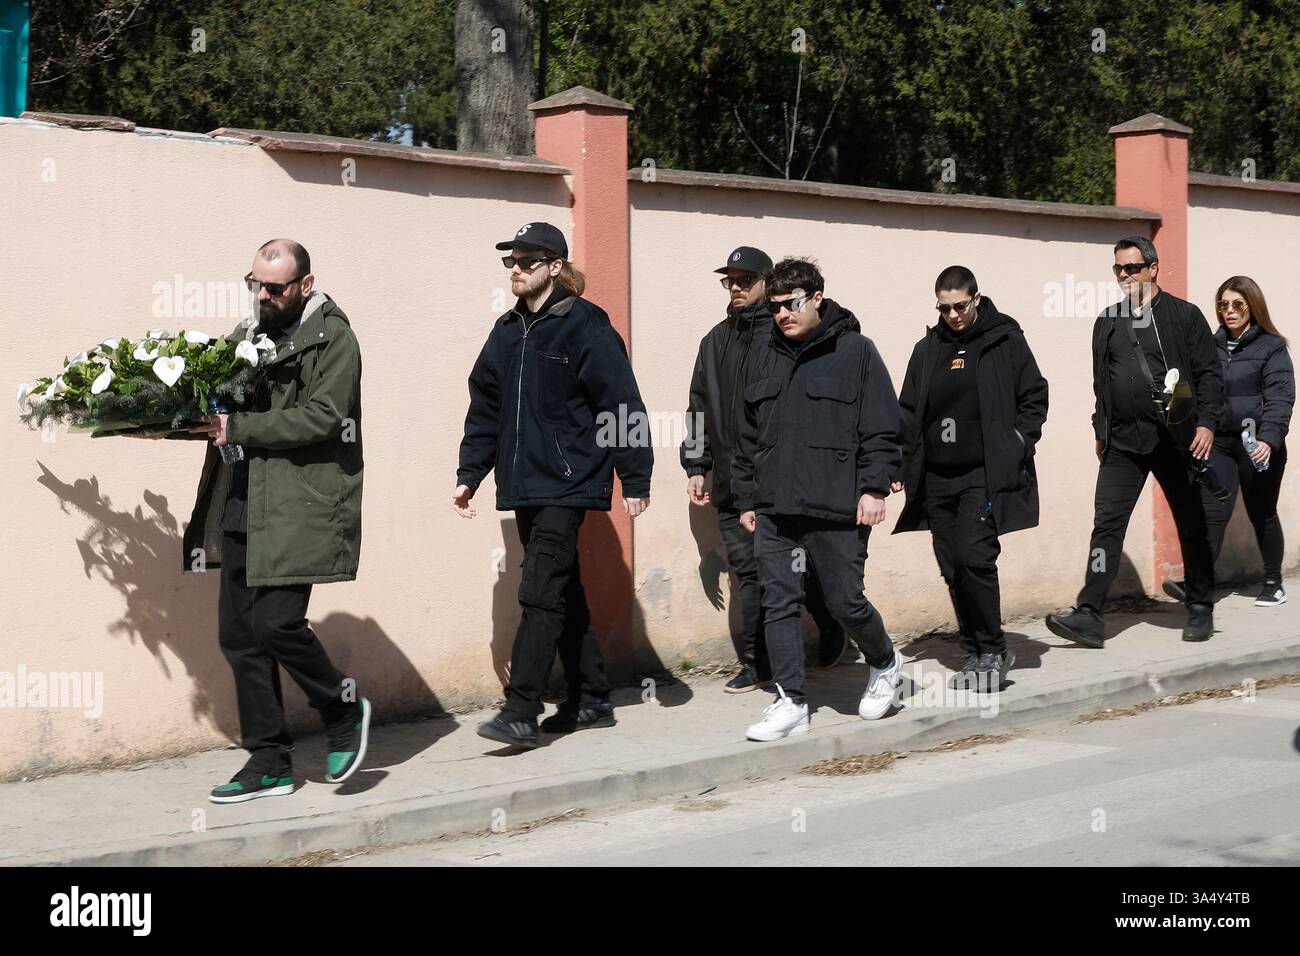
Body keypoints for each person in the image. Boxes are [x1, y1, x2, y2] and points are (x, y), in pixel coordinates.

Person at [182, 239, 370, 803]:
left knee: (275, 624)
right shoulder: (249, 334)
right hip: (242, 497)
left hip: (300, 503)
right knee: (239, 637)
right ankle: (270, 763)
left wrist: (237, 428)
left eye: (276, 288)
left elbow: (323, 416)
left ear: (305, 285)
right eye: (255, 284)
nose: (263, 296)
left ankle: (341, 709)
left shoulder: (334, 338)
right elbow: (223, 396)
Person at [455, 222, 653, 750]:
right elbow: (486, 408)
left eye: (527, 260)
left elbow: (622, 403)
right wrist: (469, 474)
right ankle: (590, 697)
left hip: (570, 480)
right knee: (561, 586)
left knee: (539, 588)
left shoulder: (586, 326)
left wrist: (635, 475)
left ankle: (521, 708)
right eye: (511, 261)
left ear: (555, 266)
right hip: (524, 481)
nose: (516, 269)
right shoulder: (505, 330)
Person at [731, 257, 904, 741]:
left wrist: (873, 487)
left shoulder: (857, 352)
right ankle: (791, 701)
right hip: (775, 507)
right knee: (779, 603)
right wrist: (747, 498)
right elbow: (747, 437)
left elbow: (882, 426)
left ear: (817, 299)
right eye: (777, 306)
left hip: (837, 505)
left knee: (844, 602)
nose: (783, 314)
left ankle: (886, 662)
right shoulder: (763, 354)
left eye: (792, 304)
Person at [682, 245, 847, 695]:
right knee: (749, 571)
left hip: (781, 477)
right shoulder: (714, 341)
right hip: (733, 483)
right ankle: (760, 662)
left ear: (766, 281)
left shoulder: (782, 335)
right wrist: (697, 463)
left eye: (744, 279)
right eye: (728, 280)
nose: (735, 287)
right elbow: (698, 407)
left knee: (801, 566)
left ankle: (832, 625)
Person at [1047, 236, 1224, 647]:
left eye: (1132, 268)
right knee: (1106, 526)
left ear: (1153, 268)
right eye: (1118, 269)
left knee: (1191, 523)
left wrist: (1207, 425)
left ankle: (1200, 605)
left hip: (1175, 439)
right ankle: (1089, 613)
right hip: (1123, 442)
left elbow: (1210, 375)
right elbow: (1100, 382)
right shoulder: (1107, 321)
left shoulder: (1185, 316)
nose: (1124, 275)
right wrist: (1100, 428)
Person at [892, 266, 1049, 690]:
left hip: (982, 473)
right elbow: (908, 411)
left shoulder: (1004, 339)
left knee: (974, 557)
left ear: (976, 299)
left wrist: (1017, 441)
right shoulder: (928, 349)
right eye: (944, 308)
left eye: (960, 306)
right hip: (937, 476)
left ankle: (994, 651)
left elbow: (1034, 395)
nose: (953, 315)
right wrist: (900, 465)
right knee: (951, 564)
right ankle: (975, 650)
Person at [1165, 277, 1292, 607]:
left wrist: (1269, 439)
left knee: (1261, 511)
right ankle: (1197, 582)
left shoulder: (1272, 346)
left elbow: (1280, 396)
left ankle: (1273, 582)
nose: (1229, 310)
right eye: (1223, 304)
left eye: (1238, 304)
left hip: (1256, 441)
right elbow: (1196, 387)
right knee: (1211, 513)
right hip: (1219, 441)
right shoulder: (1210, 344)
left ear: (1252, 306)